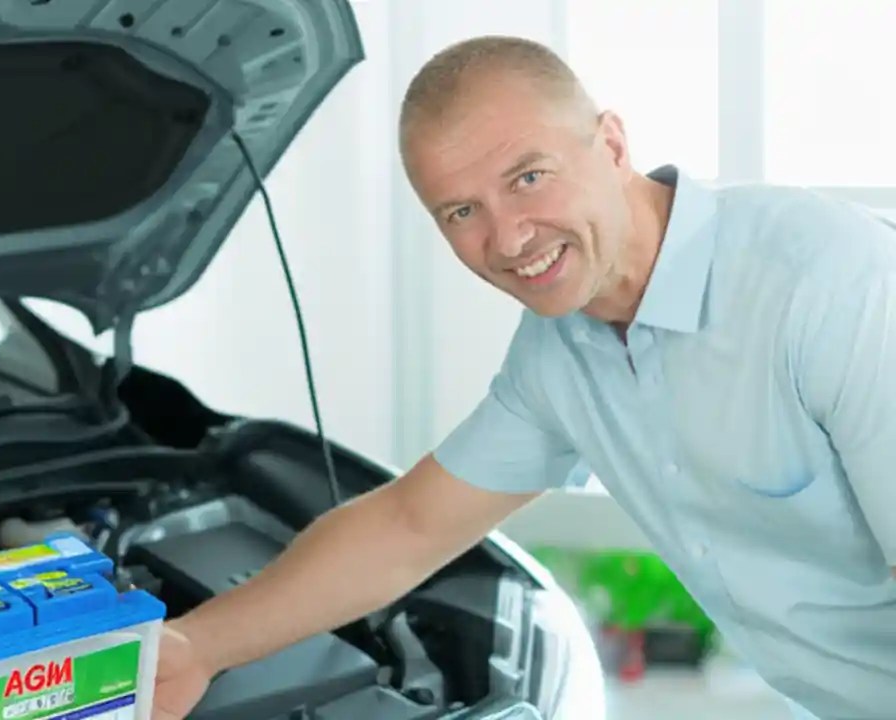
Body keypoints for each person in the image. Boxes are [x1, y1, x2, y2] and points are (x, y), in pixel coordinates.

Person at [150, 35, 896, 720]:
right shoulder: (558, 351)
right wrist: (196, 647)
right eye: (462, 211)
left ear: (610, 144)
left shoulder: (829, 284)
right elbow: (409, 527)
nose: (507, 238)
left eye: (529, 177)